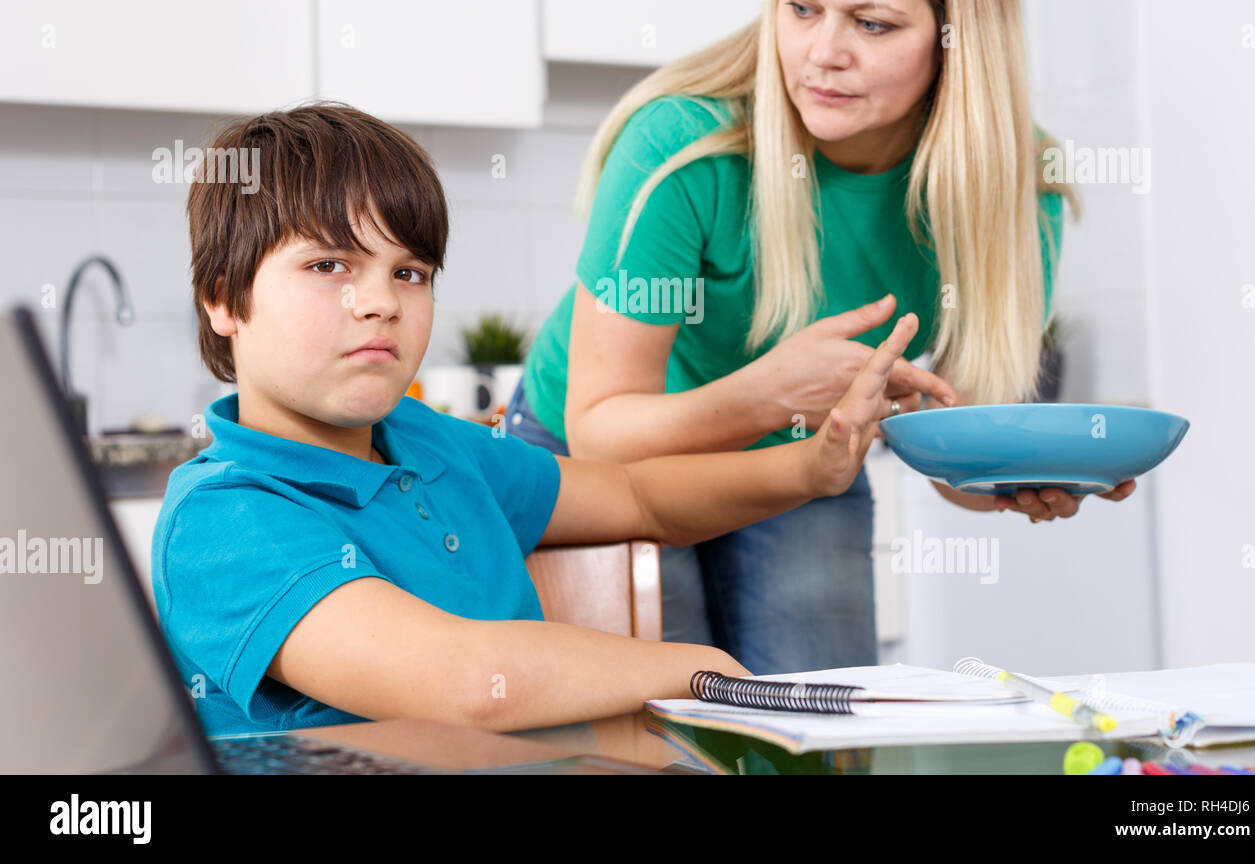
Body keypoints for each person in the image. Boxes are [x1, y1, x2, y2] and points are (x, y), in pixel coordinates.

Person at [507, 0, 1135, 675]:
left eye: (872, 24)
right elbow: (601, 426)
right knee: (662, 730)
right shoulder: (683, 151)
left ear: (957, 39)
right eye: (802, 9)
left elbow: (954, 446)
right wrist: (769, 392)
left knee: (821, 726)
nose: (822, 54)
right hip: (593, 452)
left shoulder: (1015, 185)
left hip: (801, 451)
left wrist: (1018, 479)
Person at [153, 101, 918, 737]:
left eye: (409, 272)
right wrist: (695, 666)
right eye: (330, 267)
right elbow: (468, 683)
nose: (381, 301)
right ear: (223, 298)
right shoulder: (224, 517)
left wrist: (810, 467)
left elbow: (638, 496)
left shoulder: (432, 447)